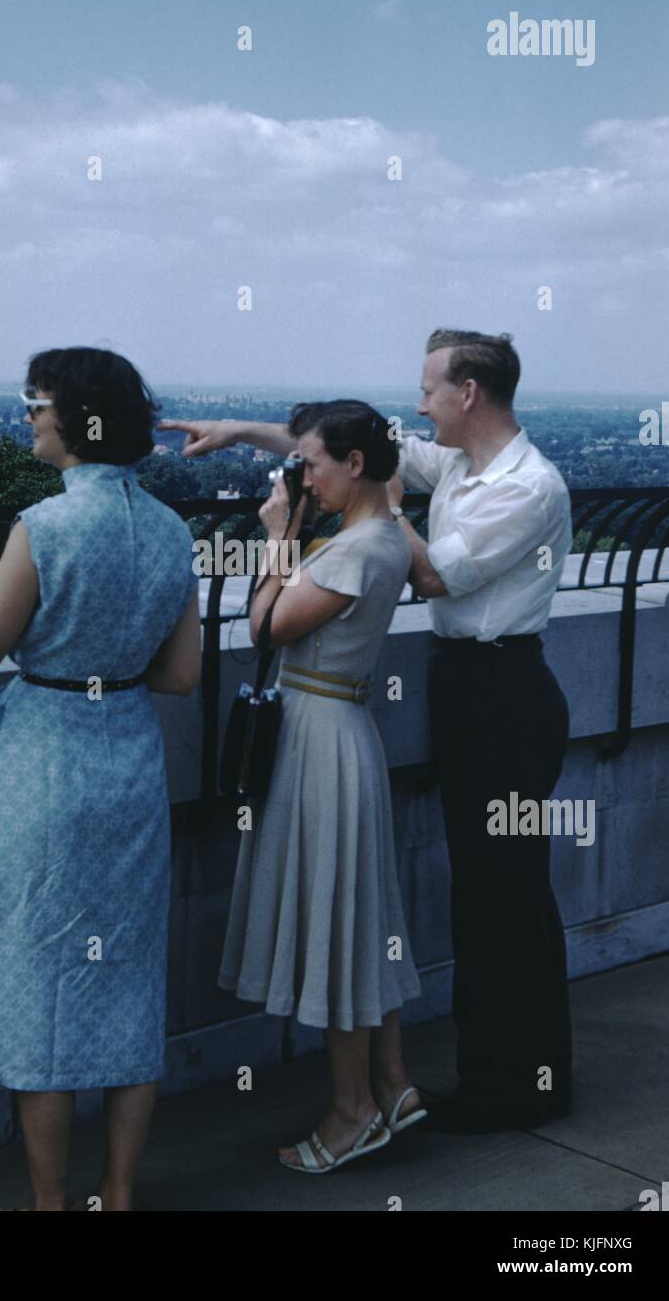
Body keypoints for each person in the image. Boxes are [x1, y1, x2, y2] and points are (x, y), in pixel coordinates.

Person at [161, 329, 573, 1134]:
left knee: (508, 890)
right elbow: (341, 451)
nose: (415, 406)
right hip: (464, 683)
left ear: (468, 395)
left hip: (506, 691)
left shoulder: (529, 488)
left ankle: (526, 1084)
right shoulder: (457, 464)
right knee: (479, 889)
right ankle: (484, 1073)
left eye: (427, 390)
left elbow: (435, 573)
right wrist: (247, 434)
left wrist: (373, 496)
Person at [0, 347, 200, 1211]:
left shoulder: (47, 525)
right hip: (129, 767)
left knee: (42, 987)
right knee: (127, 980)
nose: (27, 416)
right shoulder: (172, 530)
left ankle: (49, 1206)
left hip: (43, 767)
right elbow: (179, 677)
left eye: (35, 403)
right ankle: (118, 1191)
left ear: (75, 420)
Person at [217, 400, 425, 1174]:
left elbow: (263, 628)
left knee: (335, 926)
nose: (301, 475)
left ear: (355, 464)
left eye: (311, 463)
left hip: (319, 738)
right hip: (341, 729)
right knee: (360, 916)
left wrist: (277, 538)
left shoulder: (354, 551)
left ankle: (352, 1112)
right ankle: (394, 1085)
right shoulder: (383, 537)